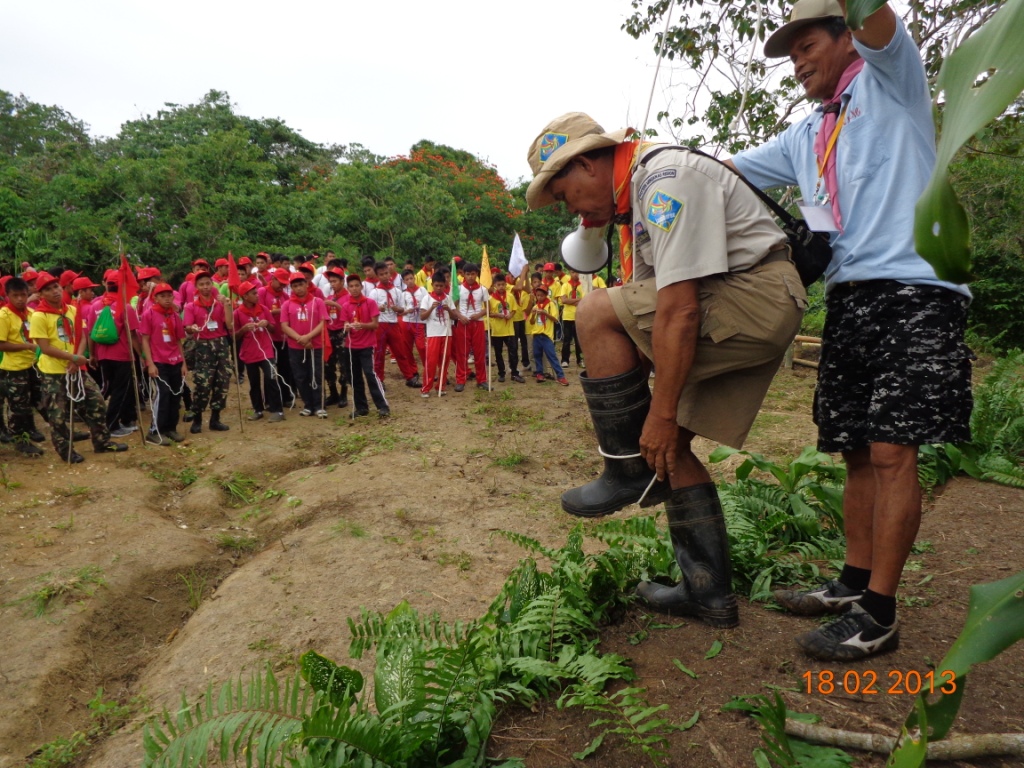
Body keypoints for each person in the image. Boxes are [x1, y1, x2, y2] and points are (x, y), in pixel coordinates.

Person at [727, 0, 973, 661]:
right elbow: (726, 170)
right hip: (848, 299)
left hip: (916, 291)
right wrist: (652, 157)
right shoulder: (805, 135)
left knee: (894, 453)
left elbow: (878, 18)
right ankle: (852, 582)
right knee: (857, 452)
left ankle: (880, 613)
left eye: (807, 44)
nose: (797, 61)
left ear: (846, 36)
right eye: (789, 53)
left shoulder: (891, 79)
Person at [524, 111, 804, 629]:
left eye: (565, 196)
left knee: (592, 312)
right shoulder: (639, 200)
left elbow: (680, 310)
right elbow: (656, 312)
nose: (573, 211)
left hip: (752, 296)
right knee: (670, 451)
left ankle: (624, 468)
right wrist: (662, 421)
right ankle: (708, 593)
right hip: (750, 301)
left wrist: (662, 408)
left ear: (586, 164)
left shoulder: (664, 178)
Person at [30, 272, 128, 462]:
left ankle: (102, 442)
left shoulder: (72, 310)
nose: (55, 292)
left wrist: (77, 358)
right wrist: (72, 357)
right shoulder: (39, 316)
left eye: (56, 287)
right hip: (53, 372)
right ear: (41, 295)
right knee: (57, 416)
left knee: (96, 401)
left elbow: (81, 336)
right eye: (48, 290)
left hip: (76, 369)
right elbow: (44, 347)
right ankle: (66, 452)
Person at [87, 272, 143, 438]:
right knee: (121, 391)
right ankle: (112, 425)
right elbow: (132, 335)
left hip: (103, 355)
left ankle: (119, 420)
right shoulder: (125, 307)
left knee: (110, 389)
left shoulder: (95, 306)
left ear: (107, 285)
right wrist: (142, 355)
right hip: (123, 355)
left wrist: (92, 355)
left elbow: (91, 333)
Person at [183, 271, 234, 433]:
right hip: (203, 346)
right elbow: (188, 328)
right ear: (196, 287)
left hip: (220, 345)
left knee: (221, 382)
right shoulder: (191, 306)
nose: (205, 287)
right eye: (201, 284)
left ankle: (215, 419)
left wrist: (227, 304)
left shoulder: (219, 304)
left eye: (208, 283)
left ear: (212, 285)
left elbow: (229, 324)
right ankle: (197, 419)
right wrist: (192, 328)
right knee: (202, 384)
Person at [0, 277, 44, 456]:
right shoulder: (4, 316)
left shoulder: (30, 314)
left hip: (31, 365)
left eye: (23, 295)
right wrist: (27, 346)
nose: (20, 299)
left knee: (33, 401)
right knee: (18, 407)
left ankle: (30, 430)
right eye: (15, 295)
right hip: (13, 368)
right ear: (7, 295)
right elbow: (1, 344)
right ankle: (21, 441)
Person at [140, 283, 188, 444]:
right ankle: (154, 431)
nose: (167, 299)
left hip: (175, 360)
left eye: (169, 296)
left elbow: (179, 341)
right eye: (162, 296)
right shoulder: (149, 314)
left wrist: (183, 363)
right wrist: (150, 363)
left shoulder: (174, 315)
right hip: (159, 361)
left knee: (176, 395)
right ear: (155, 298)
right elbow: (145, 340)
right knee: (163, 394)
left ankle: (170, 428)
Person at [234, 281, 285, 423]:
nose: (257, 295)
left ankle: (277, 410)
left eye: (257, 293)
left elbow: (274, 329)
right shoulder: (238, 313)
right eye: (254, 293)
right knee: (254, 382)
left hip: (266, 350)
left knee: (271, 379)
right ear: (245, 296)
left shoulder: (263, 309)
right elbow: (234, 336)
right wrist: (243, 330)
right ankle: (258, 409)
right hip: (249, 353)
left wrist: (267, 324)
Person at [340, 274, 390, 417]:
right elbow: (344, 324)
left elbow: (375, 324)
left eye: (357, 285)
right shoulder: (345, 306)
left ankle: (382, 405)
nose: (354, 289)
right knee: (354, 377)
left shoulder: (370, 303)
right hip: (351, 346)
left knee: (370, 374)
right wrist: (347, 327)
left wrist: (362, 325)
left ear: (361, 287)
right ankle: (361, 407)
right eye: (351, 286)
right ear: (348, 288)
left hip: (367, 345)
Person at [280, 273, 328, 418]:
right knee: (300, 376)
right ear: (291, 288)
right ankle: (308, 405)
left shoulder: (317, 301)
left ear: (307, 284)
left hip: (315, 345)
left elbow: (323, 322)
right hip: (296, 346)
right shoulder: (287, 304)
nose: (299, 288)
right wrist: (299, 338)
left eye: (301, 284)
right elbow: (284, 325)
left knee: (316, 375)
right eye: (295, 286)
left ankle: (319, 405)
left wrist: (308, 337)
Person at [370, 262, 420, 387]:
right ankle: (379, 380)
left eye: (386, 273)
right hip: (380, 325)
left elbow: (403, 309)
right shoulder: (374, 292)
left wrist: (397, 308)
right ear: (377, 276)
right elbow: (370, 310)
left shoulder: (397, 291)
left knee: (400, 352)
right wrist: (378, 308)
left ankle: (409, 377)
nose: (385, 276)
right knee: (379, 354)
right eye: (381, 275)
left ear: (390, 273)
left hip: (393, 323)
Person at [452, 263, 489, 391]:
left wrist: (479, 314)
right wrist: (460, 316)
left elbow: (488, 308)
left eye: (473, 274)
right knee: (462, 353)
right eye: (468, 274)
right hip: (463, 323)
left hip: (478, 323)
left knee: (480, 353)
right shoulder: (459, 289)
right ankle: (461, 380)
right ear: (464, 274)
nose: (471, 277)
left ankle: (482, 380)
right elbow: (453, 307)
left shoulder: (483, 289)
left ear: (476, 274)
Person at [419, 271, 456, 397]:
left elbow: (454, 316)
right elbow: (422, 317)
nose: (439, 288)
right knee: (431, 362)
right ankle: (426, 387)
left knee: (445, 361)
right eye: (436, 285)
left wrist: (448, 309)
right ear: (432, 285)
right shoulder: (427, 298)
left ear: (445, 285)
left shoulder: (448, 298)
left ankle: (441, 385)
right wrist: (431, 308)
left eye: (441, 285)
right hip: (433, 334)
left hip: (446, 333)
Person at [525, 285, 568, 386]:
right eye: (537, 296)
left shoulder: (550, 305)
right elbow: (531, 322)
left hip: (546, 335)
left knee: (552, 356)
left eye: (541, 295)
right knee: (537, 355)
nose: (539, 298)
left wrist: (545, 313)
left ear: (546, 295)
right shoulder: (535, 307)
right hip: (536, 335)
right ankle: (540, 374)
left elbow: (555, 319)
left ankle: (561, 376)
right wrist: (533, 313)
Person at [488, 273, 525, 384]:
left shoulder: (510, 296)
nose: (501, 287)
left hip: (509, 329)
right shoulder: (490, 299)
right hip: (497, 330)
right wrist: (497, 315)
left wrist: (511, 315)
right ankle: (501, 373)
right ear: (495, 285)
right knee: (498, 352)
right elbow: (488, 313)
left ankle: (514, 372)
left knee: (513, 350)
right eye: (499, 285)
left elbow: (514, 309)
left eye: (503, 284)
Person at [323, 268, 350, 408]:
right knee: (328, 364)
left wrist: (336, 306)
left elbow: (349, 315)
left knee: (343, 364)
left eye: (335, 281)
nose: (332, 284)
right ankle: (333, 392)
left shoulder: (348, 297)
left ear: (342, 281)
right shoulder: (329, 298)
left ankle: (344, 393)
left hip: (342, 333)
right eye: (330, 281)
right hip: (329, 333)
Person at [558, 269, 585, 369]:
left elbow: (584, 300)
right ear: (570, 273)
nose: (575, 274)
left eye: (577, 272)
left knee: (579, 340)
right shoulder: (565, 285)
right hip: (567, 317)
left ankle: (580, 359)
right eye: (573, 272)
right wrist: (578, 300)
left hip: (579, 316)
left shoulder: (582, 285)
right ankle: (565, 360)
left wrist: (571, 301)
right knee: (566, 339)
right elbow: (564, 300)